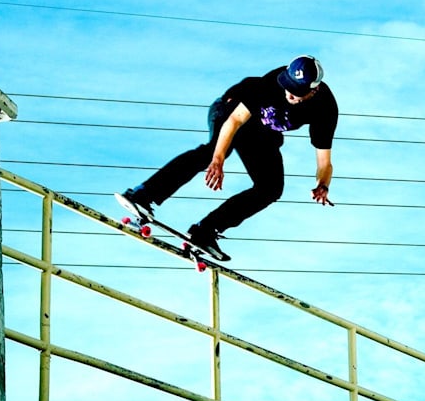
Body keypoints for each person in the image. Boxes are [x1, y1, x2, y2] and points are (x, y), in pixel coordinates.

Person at [117, 55, 337, 260]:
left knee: (270, 188)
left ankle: (206, 231)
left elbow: (324, 161)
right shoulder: (271, 83)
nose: (289, 93)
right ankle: (144, 194)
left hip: (262, 134)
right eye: (288, 87)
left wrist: (323, 184)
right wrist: (218, 160)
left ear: (313, 91)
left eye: (297, 92)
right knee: (211, 152)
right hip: (230, 111)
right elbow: (234, 121)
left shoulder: (325, 109)